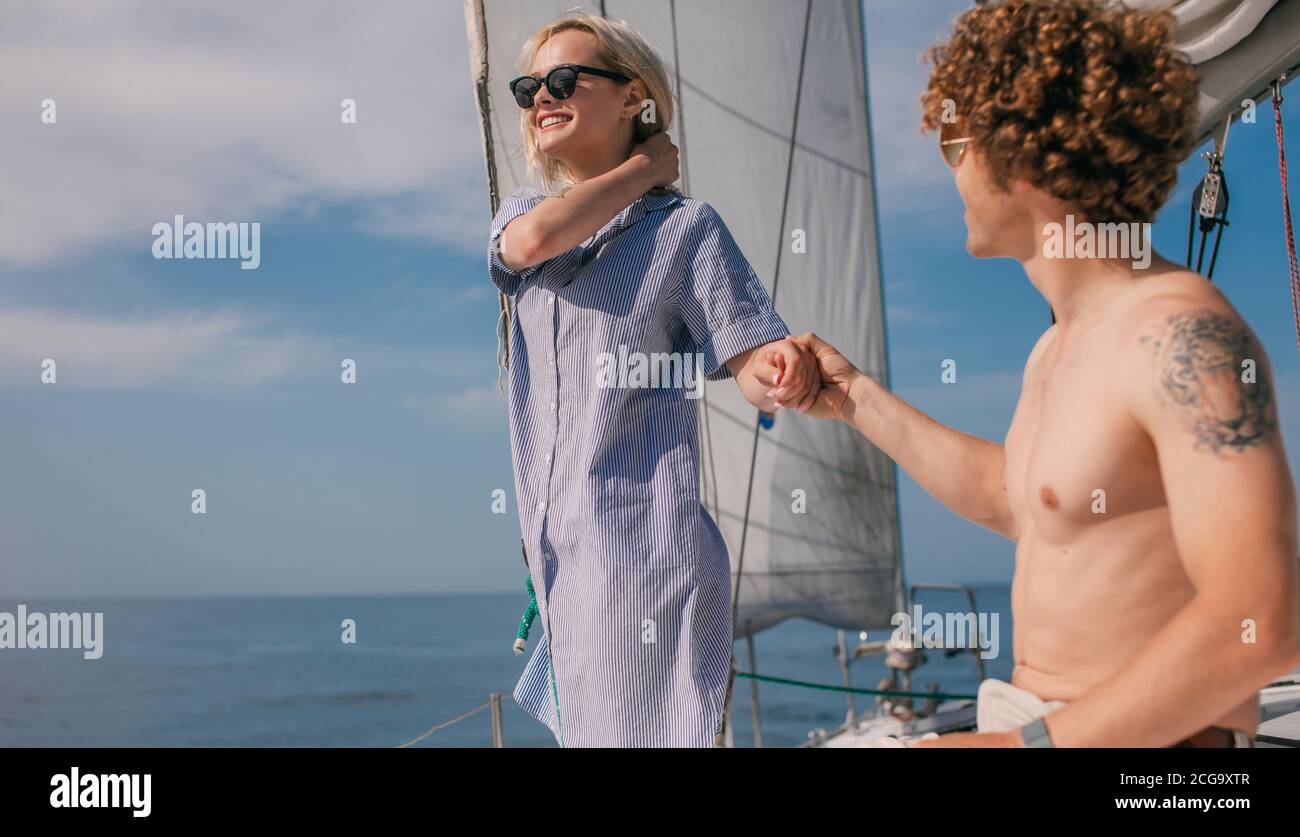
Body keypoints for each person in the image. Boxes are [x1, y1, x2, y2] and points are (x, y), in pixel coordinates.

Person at [787, 0, 1300, 747]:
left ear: (1024, 150)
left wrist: (1022, 745)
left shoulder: (1180, 333)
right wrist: (854, 395)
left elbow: (1266, 617)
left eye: (954, 140)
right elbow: (1022, 498)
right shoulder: (1057, 349)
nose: (951, 164)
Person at [487, 11, 819, 747]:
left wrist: (782, 369)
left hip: (645, 560)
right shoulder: (523, 217)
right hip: (563, 566)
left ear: (634, 95)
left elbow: (754, 363)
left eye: (565, 80)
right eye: (527, 87)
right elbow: (535, 244)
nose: (541, 96)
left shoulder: (687, 230)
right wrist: (646, 166)